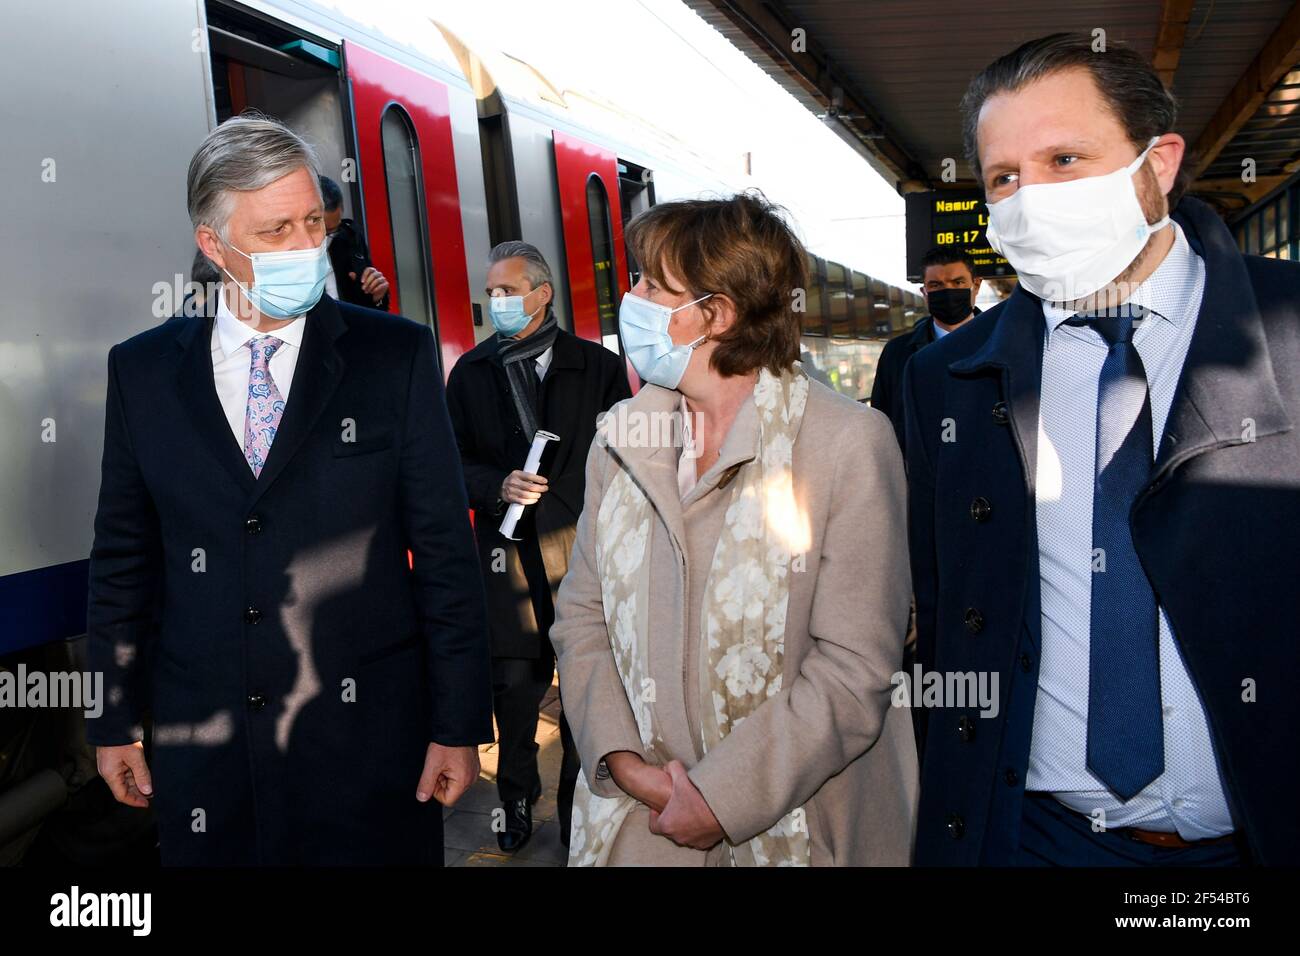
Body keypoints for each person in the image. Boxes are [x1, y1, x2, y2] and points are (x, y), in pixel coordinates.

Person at [904, 33, 1299, 866]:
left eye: (1065, 159)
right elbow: (947, 614)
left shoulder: (1289, 329)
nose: (1028, 198)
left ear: (1158, 163)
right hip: (1040, 839)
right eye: (1003, 177)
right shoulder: (949, 377)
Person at [86, 115, 493, 865]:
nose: (307, 247)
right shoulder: (142, 372)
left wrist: (459, 720)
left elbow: (443, 549)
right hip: (206, 751)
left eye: (314, 222)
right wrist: (112, 718)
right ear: (214, 245)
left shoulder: (392, 355)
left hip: (368, 746)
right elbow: (122, 558)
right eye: (276, 231)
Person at [552, 192, 917, 866]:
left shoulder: (847, 445)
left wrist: (720, 797)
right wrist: (622, 759)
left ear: (713, 314)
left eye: (652, 285)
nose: (630, 297)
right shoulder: (621, 438)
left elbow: (855, 667)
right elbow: (582, 615)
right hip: (641, 826)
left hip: (800, 827)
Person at [445, 241, 631, 852]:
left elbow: (625, 453)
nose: (496, 302)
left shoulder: (595, 367)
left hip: (581, 553)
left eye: (507, 291)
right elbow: (453, 463)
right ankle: (515, 802)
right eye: (491, 292)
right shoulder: (472, 373)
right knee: (516, 694)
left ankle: (579, 808)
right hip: (507, 561)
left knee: (583, 687)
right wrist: (496, 484)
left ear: (542, 294)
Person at [869, 247, 981, 453]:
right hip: (918, 478)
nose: (947, 291)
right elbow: (880, 422)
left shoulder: (1004, 345)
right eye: (936, 285)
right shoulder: (897, 354)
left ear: (976, 285)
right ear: (924, 292)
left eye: (958, 282)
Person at [319, 174, 390, 310]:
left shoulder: (350, 237)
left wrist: (378, 296)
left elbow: (370, 307)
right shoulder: (289, 254)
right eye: (325, 232)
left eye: (335, 230)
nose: (329, 238)